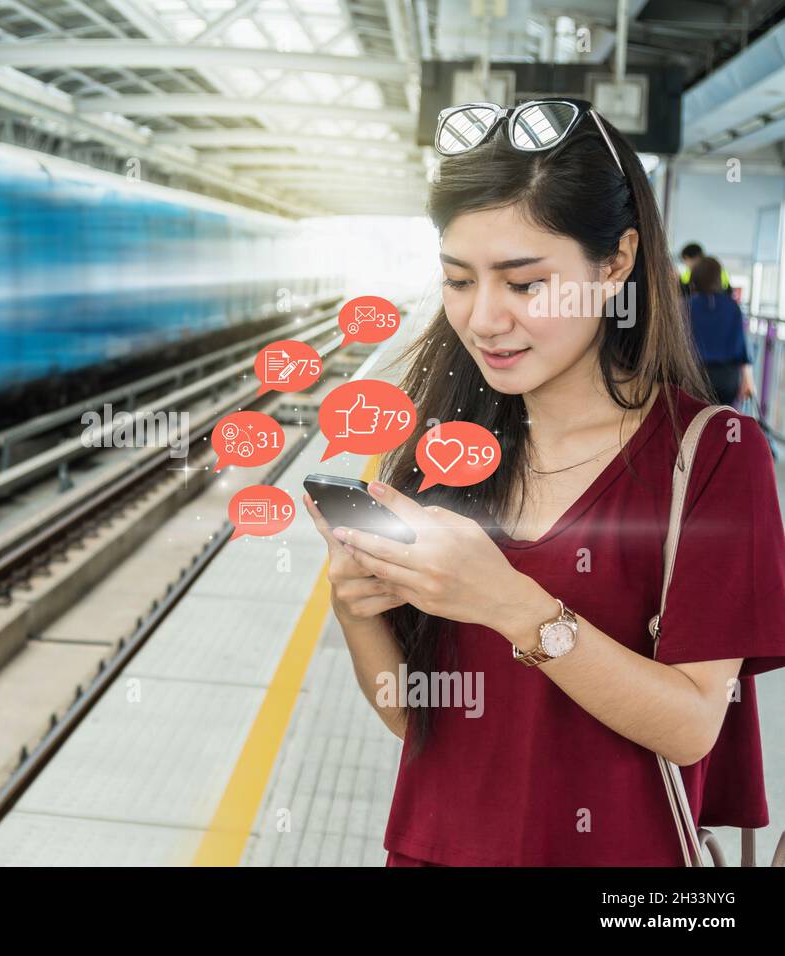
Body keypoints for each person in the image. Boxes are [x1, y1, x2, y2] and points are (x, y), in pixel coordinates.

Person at [305, 100, 785, 866]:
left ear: (618, 261)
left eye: (524, 284)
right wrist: (355, 609)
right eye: (459, 280)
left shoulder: (715, 455)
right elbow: (417, 725)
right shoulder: (445, 449)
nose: (484, 318)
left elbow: (695, 723)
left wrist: (510, 606)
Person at [686, 255, 756, 407]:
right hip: (728, 378)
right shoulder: (732, 306)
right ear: (718, 278)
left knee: (695, 424)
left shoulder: (687, 306)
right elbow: (742, 348)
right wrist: (748, 379)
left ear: (694, 278)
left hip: (695, 376)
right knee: (723, 422)